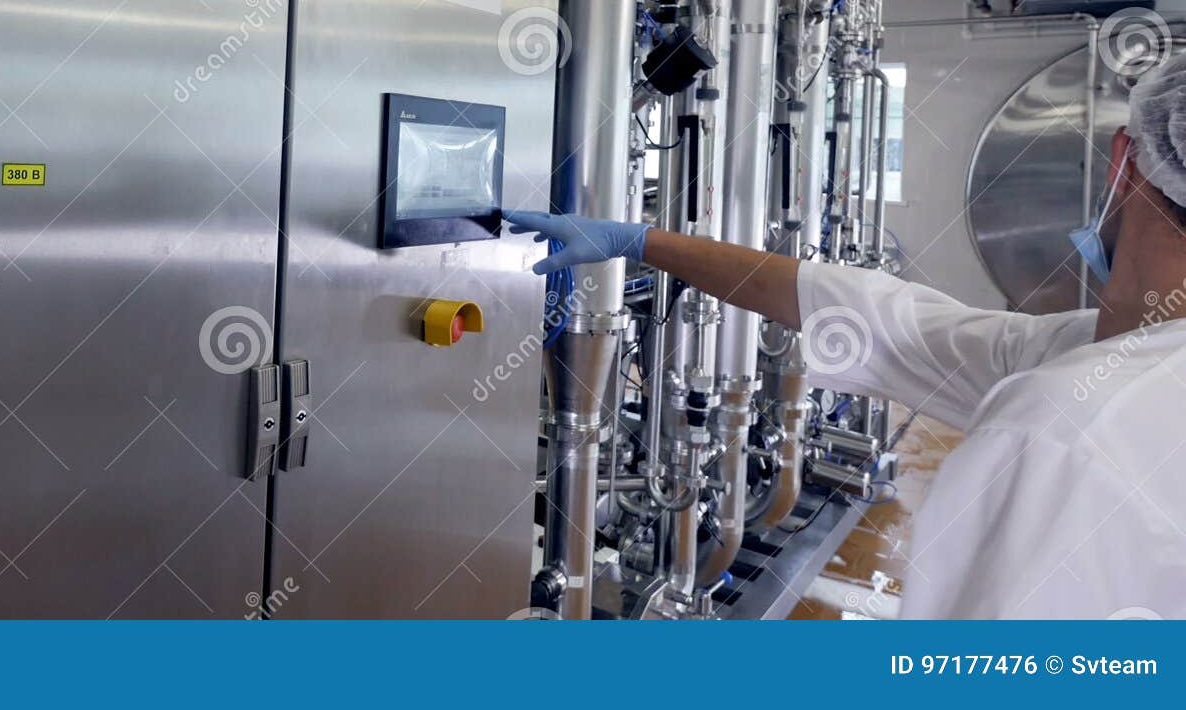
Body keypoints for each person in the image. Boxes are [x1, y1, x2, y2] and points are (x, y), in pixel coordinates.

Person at [506, 53, 1186, 620]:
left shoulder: (1065, 428)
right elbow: (889, 320)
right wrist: (642, 242)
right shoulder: (1097, 355)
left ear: (1121, 160)